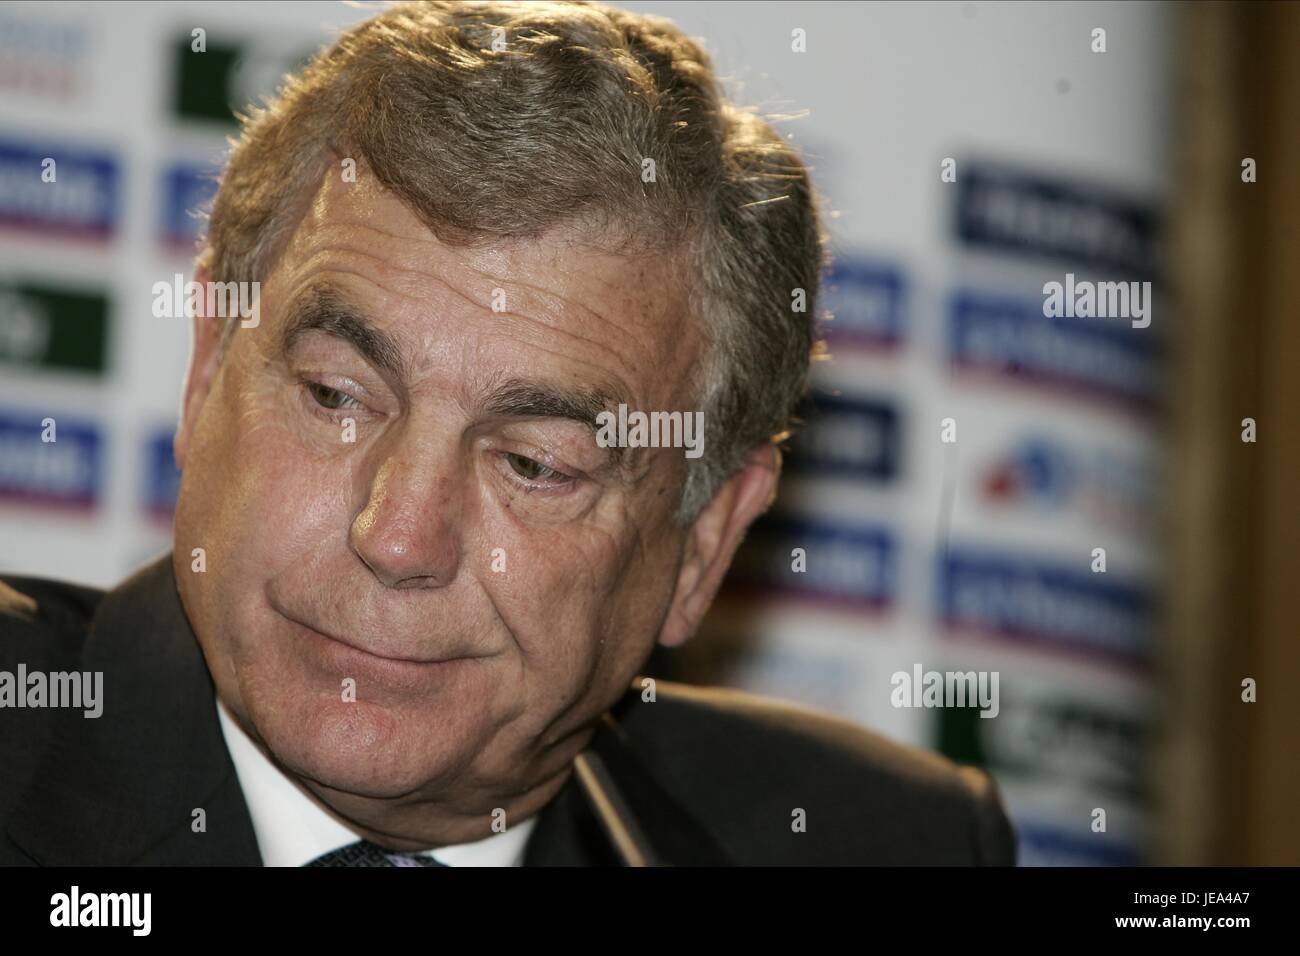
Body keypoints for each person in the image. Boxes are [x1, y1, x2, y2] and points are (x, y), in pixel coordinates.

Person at [0, 0, 1015, 866]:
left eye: (535, 462)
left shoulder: (892, 844)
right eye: (334, 396)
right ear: (209, 369)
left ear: (702, 542)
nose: (397, 536)